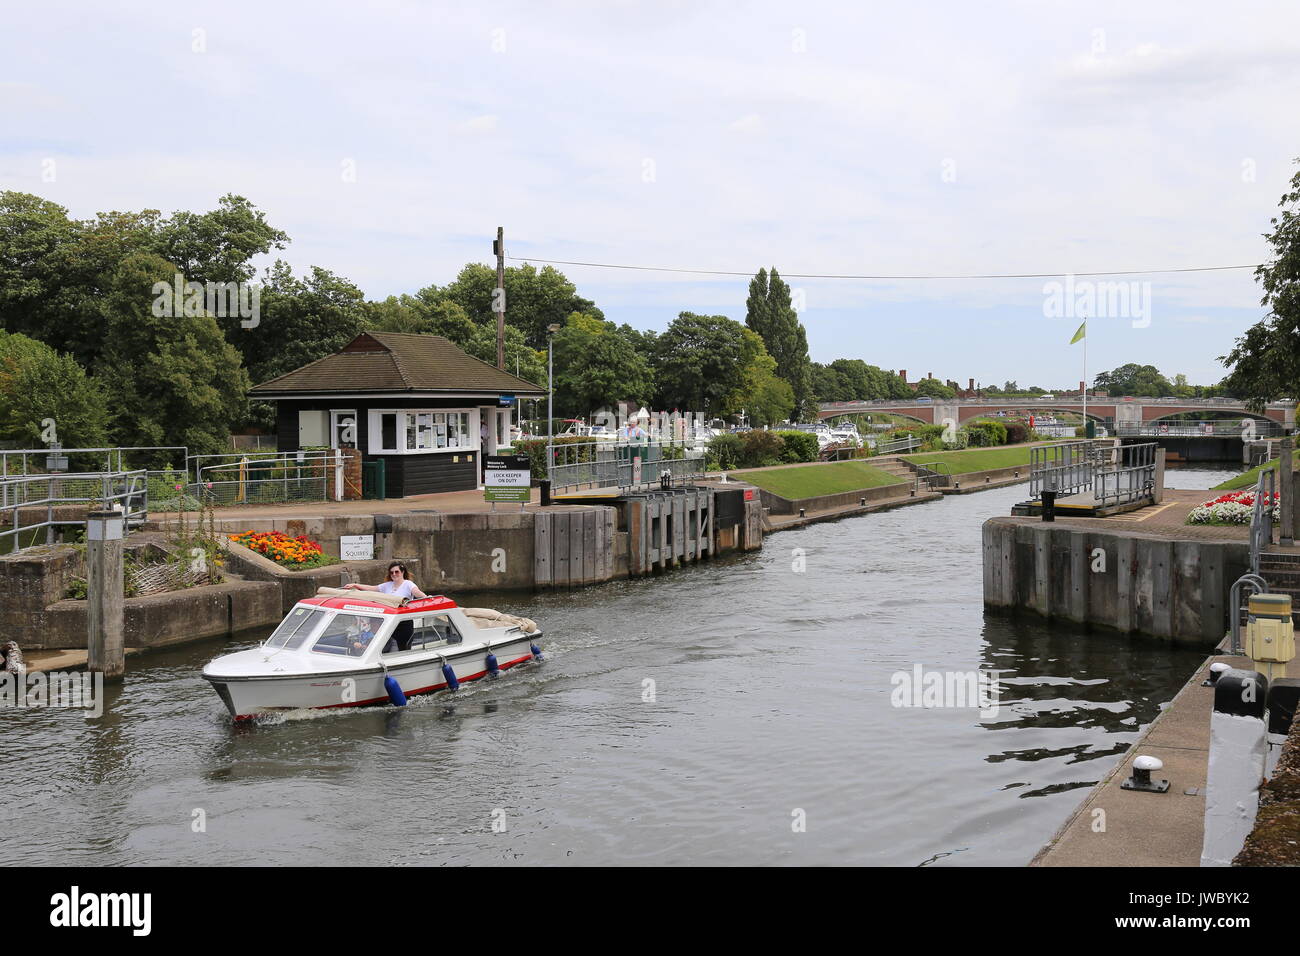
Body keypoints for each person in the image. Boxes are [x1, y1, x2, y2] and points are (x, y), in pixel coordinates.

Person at [344, 562, 427, 600]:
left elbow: (418, 593)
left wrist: (427, 598)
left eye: (396, 572)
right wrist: (355, 585)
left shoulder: (408, 584)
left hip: (403, 619)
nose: (394, 574)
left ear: (402, 572)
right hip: (390, 619)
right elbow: (371, 588)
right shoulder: (387, 585)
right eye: (391, 572)